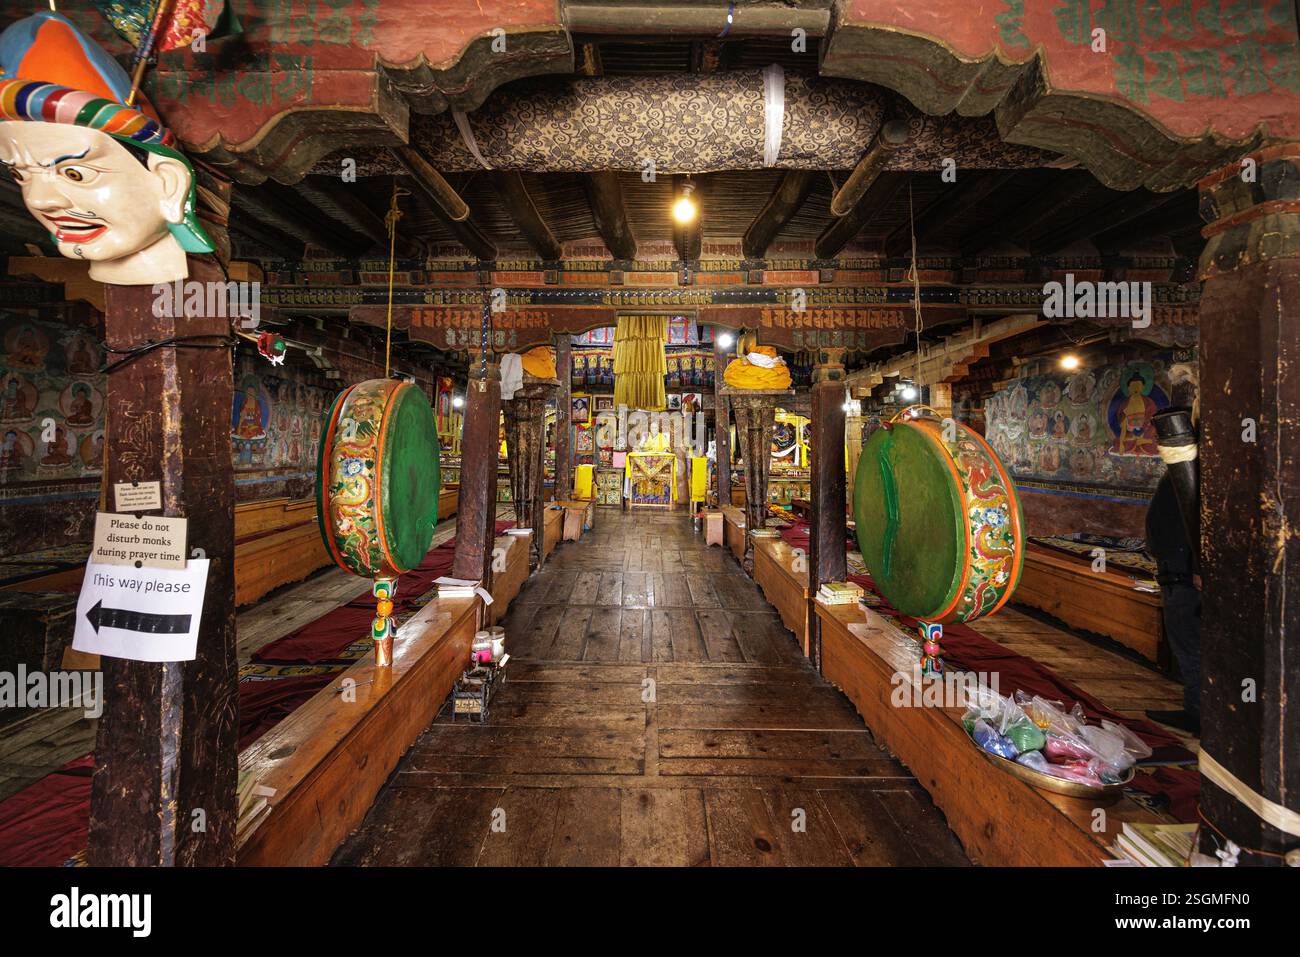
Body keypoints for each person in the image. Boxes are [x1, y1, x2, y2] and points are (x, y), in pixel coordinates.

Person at [1144, 471, 1201, 735]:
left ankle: (1198, 712)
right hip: (1176, 569)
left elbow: (1200, 522)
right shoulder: (1187, 467)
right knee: (1185, 639)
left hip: (1185, 573)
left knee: (1190, 643)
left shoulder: (1201, 470)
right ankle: (1197, 709)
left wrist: (1199, 567)